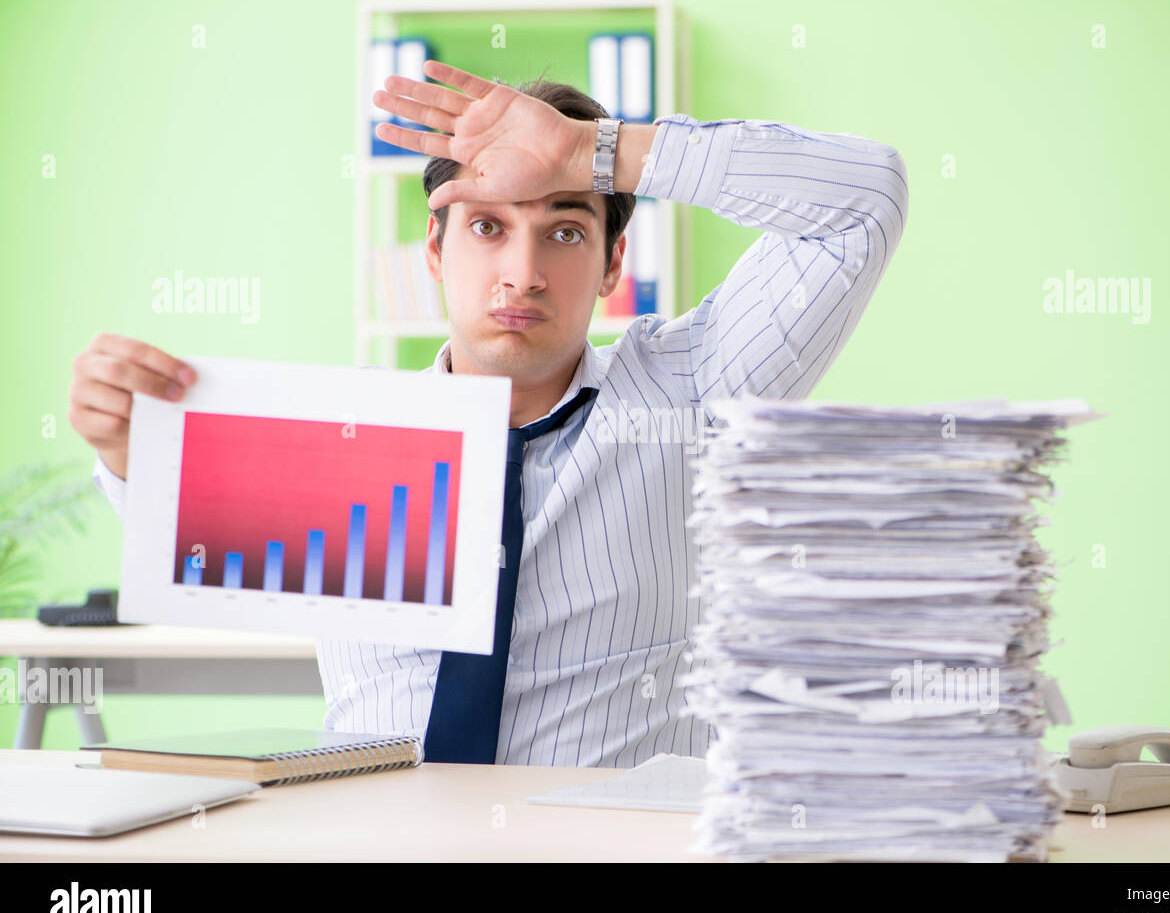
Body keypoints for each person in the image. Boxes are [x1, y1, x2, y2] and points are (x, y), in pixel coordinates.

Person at [69, 60, 908, 768]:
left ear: (615, 260)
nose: (523, 272)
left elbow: (864, 201)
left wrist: (595, 151)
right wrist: (131, 449)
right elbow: (194, 532)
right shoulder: (348, 436)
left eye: (566, 232)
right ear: (434, 250)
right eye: (485, 226)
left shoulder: (693, 392)